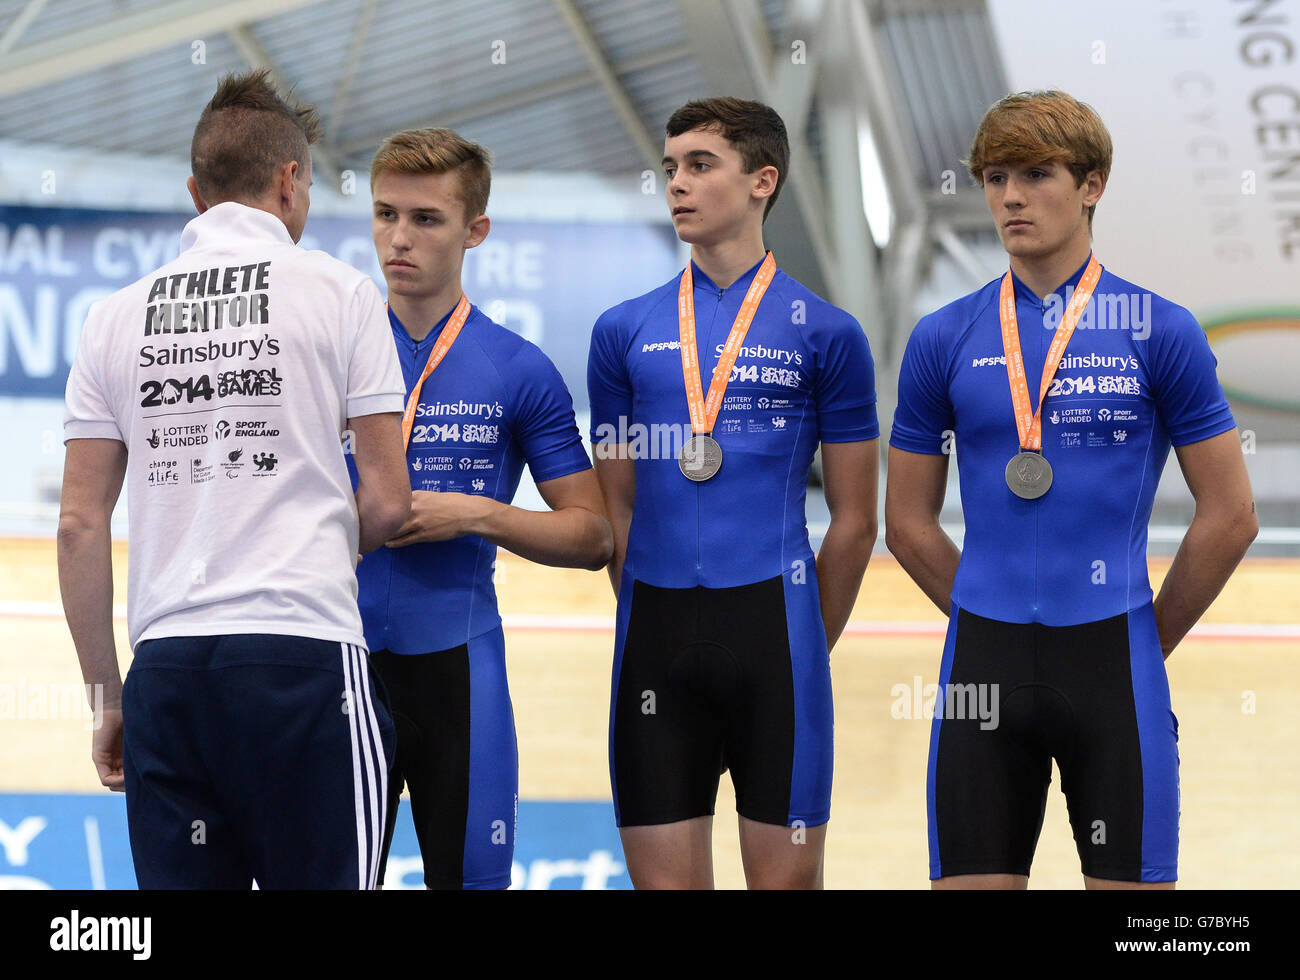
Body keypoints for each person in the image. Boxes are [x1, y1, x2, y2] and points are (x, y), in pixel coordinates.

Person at [885, 90, 1259, 890]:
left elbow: (1230, 518)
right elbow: (906, 524)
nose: (1011, 196)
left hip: (1115, 663)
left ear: (1091, 185)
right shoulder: (943, 336)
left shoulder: (1159, 329)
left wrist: (1140, 645)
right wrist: (991, 621)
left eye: (1036, 173)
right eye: (994, 177)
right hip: (981, 671)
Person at [57, 69, 411, 889]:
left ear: (196, 192)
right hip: (303, 661)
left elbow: (79, 526)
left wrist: (111, 701)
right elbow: (389, 501)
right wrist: (310, 545)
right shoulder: (342, 293)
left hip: (167, 676)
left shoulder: (113, 316)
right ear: (290, 180)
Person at [587, 97, 880, 889]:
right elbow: (617, 510)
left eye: (700, 165)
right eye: (671, 167)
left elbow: (855, 523)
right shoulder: (622, 331)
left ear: (762, 180)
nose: (677, 183)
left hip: (777, 632)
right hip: (653, 634)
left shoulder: (828, 333)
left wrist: (804, 645)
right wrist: (651, 606)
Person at [358, 128, 613, 890]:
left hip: (460, 669)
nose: (399, 238)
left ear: (475, 231)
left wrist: (475, 514)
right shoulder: (328, 350)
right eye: (384, 214)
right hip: (337, 664)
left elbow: (592, 533)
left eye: (426, 219)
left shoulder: (516, 368)